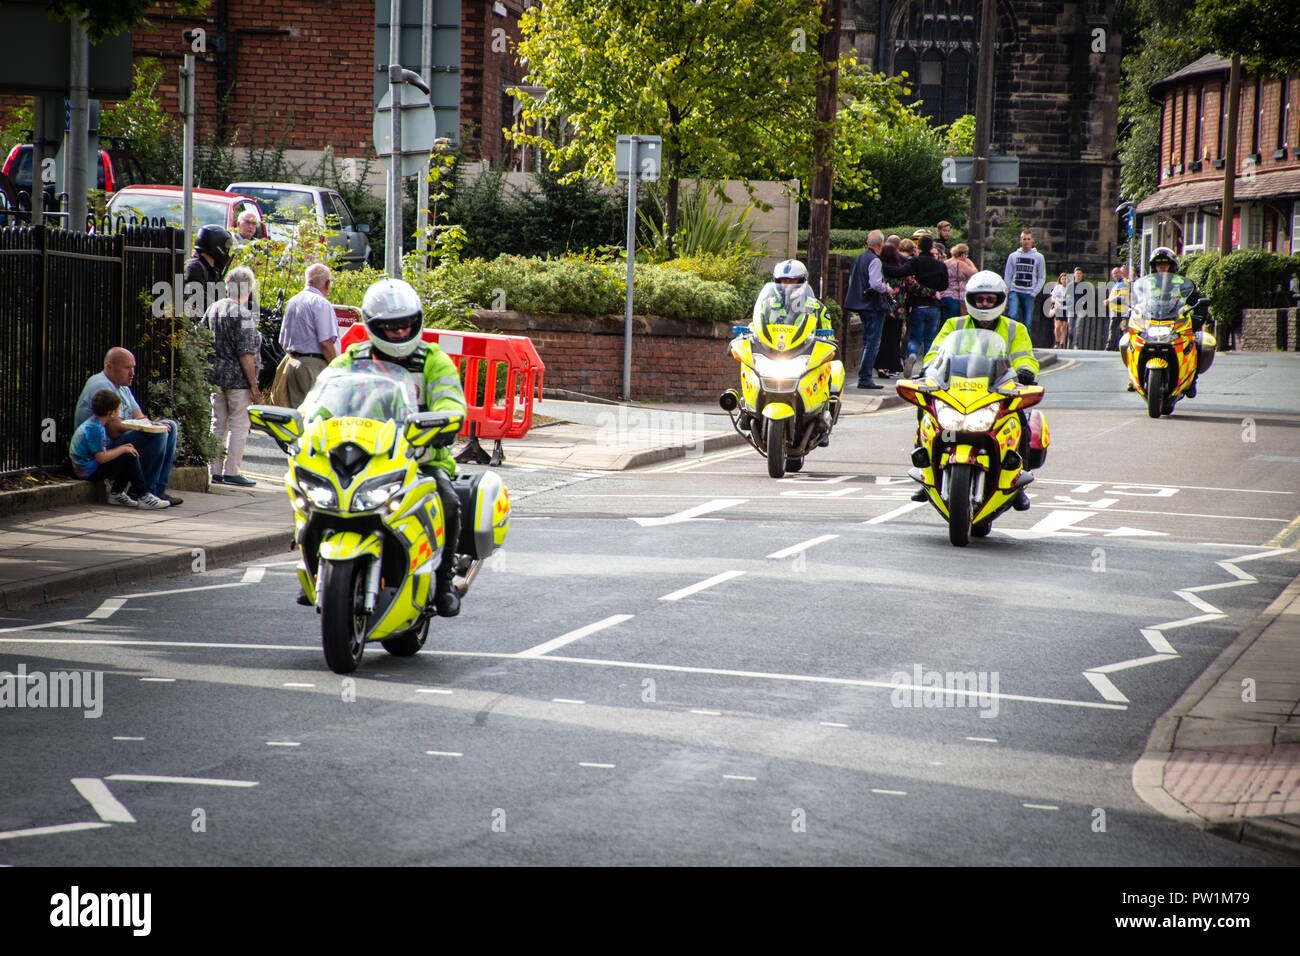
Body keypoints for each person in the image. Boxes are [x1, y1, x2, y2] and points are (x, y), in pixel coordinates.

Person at [326, 277, 467, 618]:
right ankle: (319, 570)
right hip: (366, 458)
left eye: (407, 326)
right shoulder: (353, 358)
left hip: (422, 460)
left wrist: (446, 422)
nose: (402, 334)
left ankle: (444, 581)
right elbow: (324, 397)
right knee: (316, 497)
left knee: (447, 502)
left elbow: (451, 401)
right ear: (373, 327)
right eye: (391, 328)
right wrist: (303, 424)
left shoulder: (434, 360)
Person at [916, 271, 1039, 510]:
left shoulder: (1016, 329)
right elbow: (936, 351)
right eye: (980, 299)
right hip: (957, 389)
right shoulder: (954, 325)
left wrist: (1026, 371)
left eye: (989, 300)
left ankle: (1019, 482)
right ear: (971, 300)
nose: (984, 304)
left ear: (999, 301)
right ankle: (925, 473)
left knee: (1022, 420)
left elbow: (1026, 356)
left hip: (998, 391)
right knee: (926, 411)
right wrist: (929, 367)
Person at [73, 348, 183, 506]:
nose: (132, 373)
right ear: (109, 367)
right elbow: (114, 430)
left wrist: (148, 424)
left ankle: (158, 490)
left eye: (133, 367)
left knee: (168, 426)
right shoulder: (102, 385)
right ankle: (145, 492)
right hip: (103, 450)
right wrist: (144, 426)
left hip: (115, 441)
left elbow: (138, 415)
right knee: (156, 433)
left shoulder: (122, 386)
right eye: (127, 368)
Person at [204, 265, 262, 487]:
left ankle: (214, 470)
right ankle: (232, 471)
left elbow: (202, 339)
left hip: (215, 377)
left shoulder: (213, 309)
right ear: (248, 290)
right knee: (239, 424)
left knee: (217, 423)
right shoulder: (244, 315)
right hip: (238, 380)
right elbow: (246, 354)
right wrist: (254, 384)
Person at [69, 389, 171, 509]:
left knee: (128, 451)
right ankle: (143, 495)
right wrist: (121, 449)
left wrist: (123, 449)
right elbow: (101, 458)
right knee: (129, 455)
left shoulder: (94, 423)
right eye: (118, 410)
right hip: (87, 471)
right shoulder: (94, 428)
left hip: (88, 467)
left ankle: (117, 493)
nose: (120, 414)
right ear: (111, 413)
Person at [269, 263, 338, 408]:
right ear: (327, 283)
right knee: (314, 413)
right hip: (313, 366)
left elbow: (282, 340)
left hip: (292, 363)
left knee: (295, 415)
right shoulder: (320, 303)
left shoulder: (293, 301)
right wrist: (336, 368)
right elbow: (326, 343)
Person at [885, 234, 949, 379]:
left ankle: (912, 355)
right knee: (930, 339)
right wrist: (935, 289)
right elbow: (945, 285)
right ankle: (926, 369)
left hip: (917, 306)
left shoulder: (916, 262)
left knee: (914, 337)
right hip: (934, 307)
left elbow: (900, 272)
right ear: (932, 247)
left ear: (918, 247)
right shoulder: (940, 265)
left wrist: (883, 266)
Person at [842, 231, 893, 390]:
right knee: (872, 343)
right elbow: (875, 284)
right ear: (881, 244)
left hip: (860, 305)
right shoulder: (875, 260)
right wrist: (888, 289)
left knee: (867, 342)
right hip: (873, 306)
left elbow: (853, 280)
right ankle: (865, 378)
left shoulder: (859, 258)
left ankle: (864, 376)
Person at [1002, 230, 1046, 340]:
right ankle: (1011, 340)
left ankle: (1026, 345)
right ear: (1020, 240)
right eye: (1024, 239)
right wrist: (1008, 291)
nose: (1026, 241)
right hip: (1015, 291)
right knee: (1012, 315)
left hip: (1029, 293)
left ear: (1032, 240)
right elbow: (1008, 275)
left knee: (1027, 322)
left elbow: (1041, 277)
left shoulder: (1039, 257)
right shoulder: (1013, 256)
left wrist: (1034, 292)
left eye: (1028, 239)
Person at [183, 225, 232, 317]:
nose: (227, 251)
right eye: (226, 247)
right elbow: (195, 300)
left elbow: (223, 297)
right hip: (198, 325)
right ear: (217, 245)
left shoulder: (214, 269)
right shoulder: (194, 267)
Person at [940, 242, 977, 321]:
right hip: (956, 297)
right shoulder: (960, 264)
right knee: (955, 322)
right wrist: (969, 262)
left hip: (943, 295)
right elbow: (974, 274)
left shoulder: (945, 263)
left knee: (945, 321)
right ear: (963, 254)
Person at [1104, 266, 1130, 351]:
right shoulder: (1117, 284)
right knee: (1116, 329)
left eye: (1116, 273)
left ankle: (1110, 347)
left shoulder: (1123, 283)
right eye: (1113, 274)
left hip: (1120, 310)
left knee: (1115, 329)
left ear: (1121, 273)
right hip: (1115, 310)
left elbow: (1122, 297)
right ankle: (1115, 346)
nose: (1115, 275)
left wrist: (1109, 300)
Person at [1066, 266, 1088, 349]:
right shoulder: (1070, 285)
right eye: (1077, 273)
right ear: (1074, 274)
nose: (1078, 275)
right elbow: (1067, 295)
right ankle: (1069, 342)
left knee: (1078, 326)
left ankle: (1076, 344)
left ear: (1082, 275)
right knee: (1070, 327)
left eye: (1080, 273)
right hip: (1071, 308)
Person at [1047, 272, 1069, 348]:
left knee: (1064, 326)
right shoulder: (1057, 287)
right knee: (1057, 326)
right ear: (1060, 280)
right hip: (1058, 306)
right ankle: (1057, 341)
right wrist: (1056, 302)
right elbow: (1052, 297)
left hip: (1066, 307)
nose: (1064, 280)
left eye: (1065, 279)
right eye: (1062, 279)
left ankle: (1062, 343)